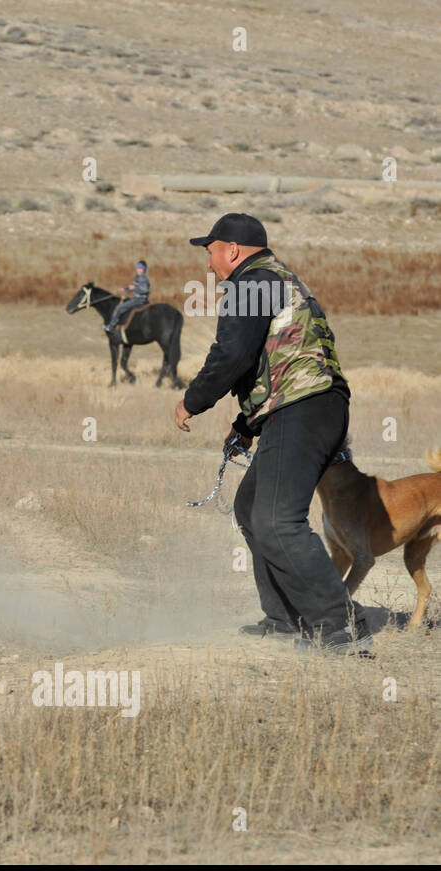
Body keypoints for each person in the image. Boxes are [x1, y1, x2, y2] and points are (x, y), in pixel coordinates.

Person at [173, 213, 363, 652]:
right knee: (251, 506)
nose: (209, 265)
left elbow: (233, 354)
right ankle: (285, 619)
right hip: (309, 407)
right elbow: (273, 360)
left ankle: (339, 626)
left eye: (211, 252)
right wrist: (245, 425)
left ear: (232, 250)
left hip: (304, 408)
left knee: (277, 519)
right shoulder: (278, 279)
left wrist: (192, 401)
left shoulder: (252, 283)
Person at [104, 260, 150, 332]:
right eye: (137, 267)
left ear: (143, 269)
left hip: (140, 299)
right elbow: (133, 288)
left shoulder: (142, 278)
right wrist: (125, 289)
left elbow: (145, 290)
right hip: (136, 298)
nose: (137, 269)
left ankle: (111, 326)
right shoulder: (138, 276)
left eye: (139, 268)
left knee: (119, 308)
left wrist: (135, 288)